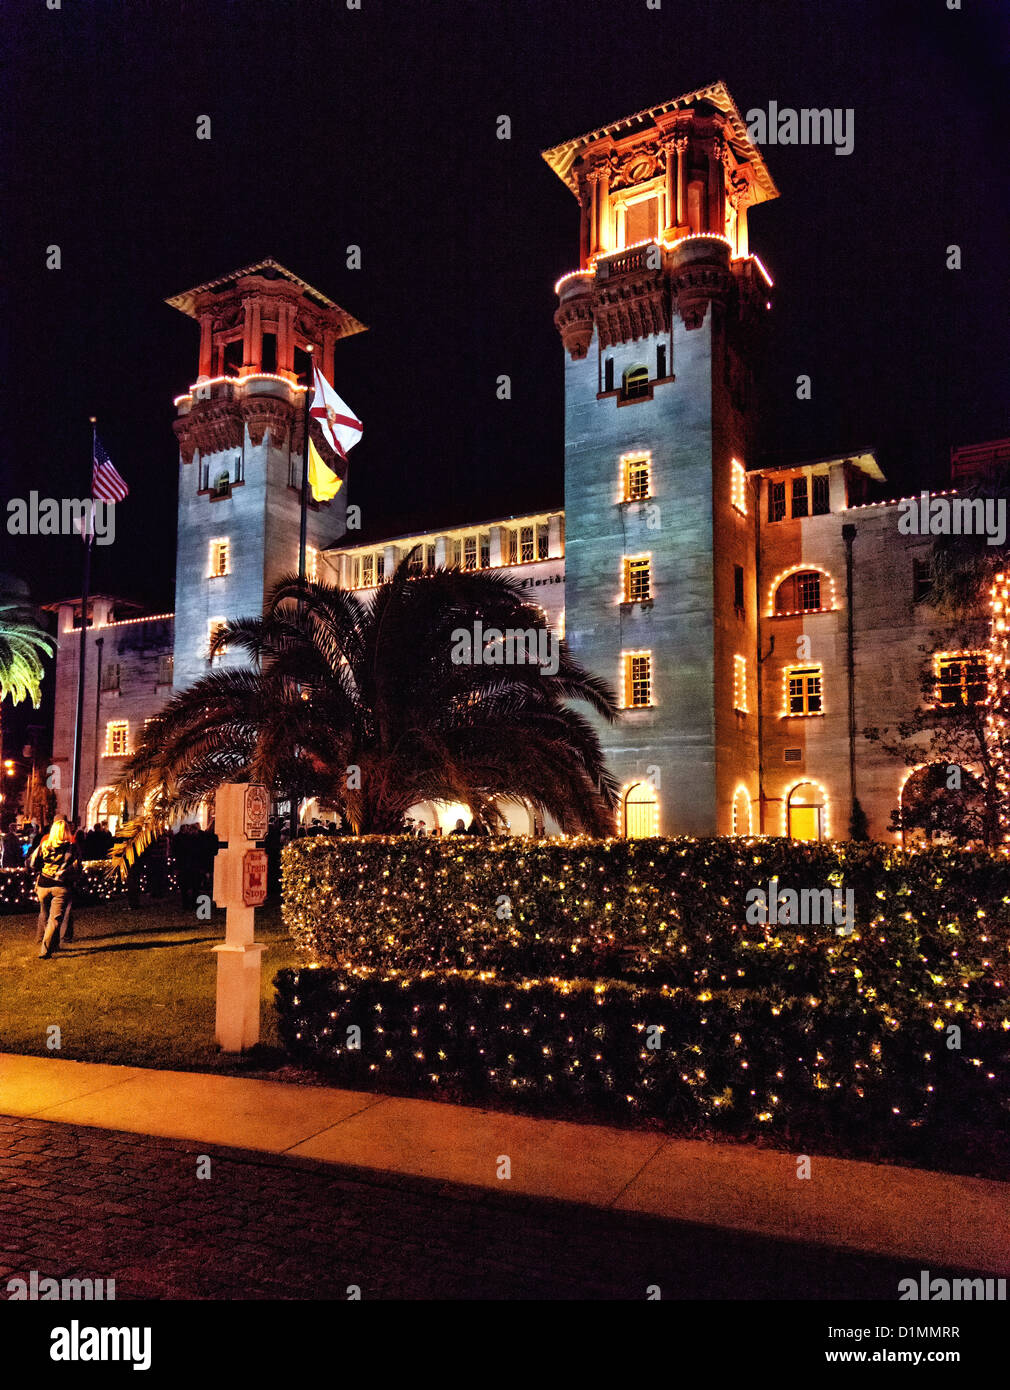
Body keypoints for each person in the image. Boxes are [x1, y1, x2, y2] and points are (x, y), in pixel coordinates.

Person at [29, 817, 79, 959]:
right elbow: (77, 866)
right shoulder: (71, 847)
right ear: (66, 832)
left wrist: (42, 871)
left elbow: (32, 863)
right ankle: (45, 950)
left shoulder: (44, 845)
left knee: (45, 915)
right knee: (55, 919)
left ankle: (51, 944)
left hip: (43, 885)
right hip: (60, 886)